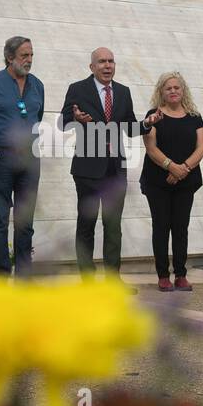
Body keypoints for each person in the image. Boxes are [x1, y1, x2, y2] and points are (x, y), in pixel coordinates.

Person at [60, 47, 155, 278]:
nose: (107, 65)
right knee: (86, 226)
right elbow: (62, 123)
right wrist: (76, 118)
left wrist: (147, 123)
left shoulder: (123, 92)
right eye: (102, 61)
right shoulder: (78, 89)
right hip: (87, 169)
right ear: (92, 67)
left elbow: (129, 127)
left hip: (115, 170)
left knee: (113, 228)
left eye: (111, 61)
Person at [0, 36, 44, 277]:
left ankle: (24, 276)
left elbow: (38, 118)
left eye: (31, 55)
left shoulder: (38, 85)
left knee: (25, 222)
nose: (29, 60)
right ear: (9, 57)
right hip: (0, 157)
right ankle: (1, 275)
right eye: (24, 55)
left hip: (30, 159)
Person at [140, 72, 203, 291]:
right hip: (157, 181)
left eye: (177, 87)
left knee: (180, 227)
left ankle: (181, 274)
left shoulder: (195, 116)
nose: (173, 91)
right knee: (161, 227)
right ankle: (162, 275)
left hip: (186, 181)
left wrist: (183, 168)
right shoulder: (154, 115)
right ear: (161, 92)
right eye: (168, 88)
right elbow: (151, 147)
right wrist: (171, 166)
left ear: (183, 90)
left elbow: (201, 147)